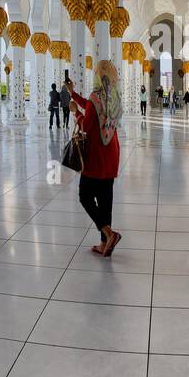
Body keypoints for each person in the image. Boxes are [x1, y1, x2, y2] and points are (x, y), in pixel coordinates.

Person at [66, 59, 122, 257]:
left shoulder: (94, 97)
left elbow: (86, 126)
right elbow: (92, 108)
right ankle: (104, 243)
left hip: (96, 156)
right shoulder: (113, 96)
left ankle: (108, 233)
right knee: (105, 199)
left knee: (85, 196)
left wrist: (75, 113)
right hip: (112, 153)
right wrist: (73, 94)